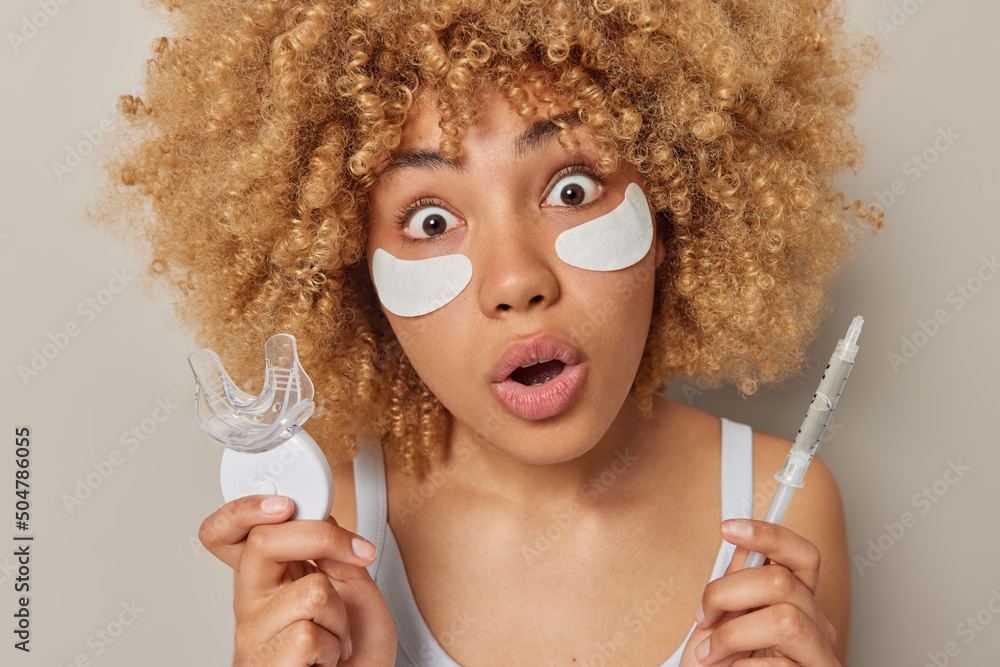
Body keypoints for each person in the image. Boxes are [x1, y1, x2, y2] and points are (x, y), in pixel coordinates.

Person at [93, 0, 882, 664]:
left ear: (680, 200)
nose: (515, 281)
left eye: (572, 188)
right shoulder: (321, 530)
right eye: (431, 220)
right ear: (348, 267)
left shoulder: (783, 507)